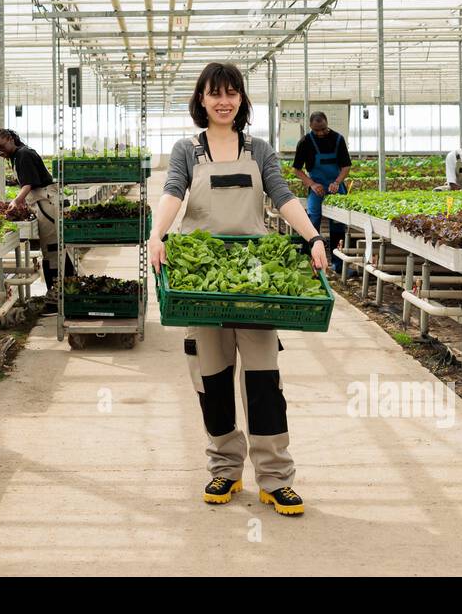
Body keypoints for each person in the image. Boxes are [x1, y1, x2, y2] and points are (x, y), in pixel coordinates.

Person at [148, 62, 329, 517]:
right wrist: (157, 234)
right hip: (202, 278)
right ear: (202, 100)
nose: (224, 101)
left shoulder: (259, 149)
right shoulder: (188, 150)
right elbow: (172, 192)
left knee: (264, 378)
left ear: (242, 99)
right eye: (215, 94)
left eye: (232, 93)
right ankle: (225, 468)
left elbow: (282, 195)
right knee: (211, 377)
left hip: (252, 274)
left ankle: (276, 478)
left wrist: (313, 237)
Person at [0, 128, 75, 313]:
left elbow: (28, 185)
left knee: (53, 251)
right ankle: (66, 294)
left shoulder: (23, 154)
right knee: (55, 250)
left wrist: (16, 201)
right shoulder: (19, 155)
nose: (0, 152)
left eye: (1, 146)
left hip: (47, 204)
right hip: (44, 203)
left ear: (10, 139)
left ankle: (59, 299)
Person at [292, 110, 351, 273]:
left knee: (338, 224)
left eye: (323, 129)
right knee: (312, 221)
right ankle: (309, 261)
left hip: (336, 187)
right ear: (310, 127)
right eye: (316, 130)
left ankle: (338, 265)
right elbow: (296, 170)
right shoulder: (304, 142)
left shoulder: (338, 139)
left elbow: (346, 166)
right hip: (316, 187)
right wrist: (311, 184)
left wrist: (337, 182)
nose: (320, 133)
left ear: (327, 125)